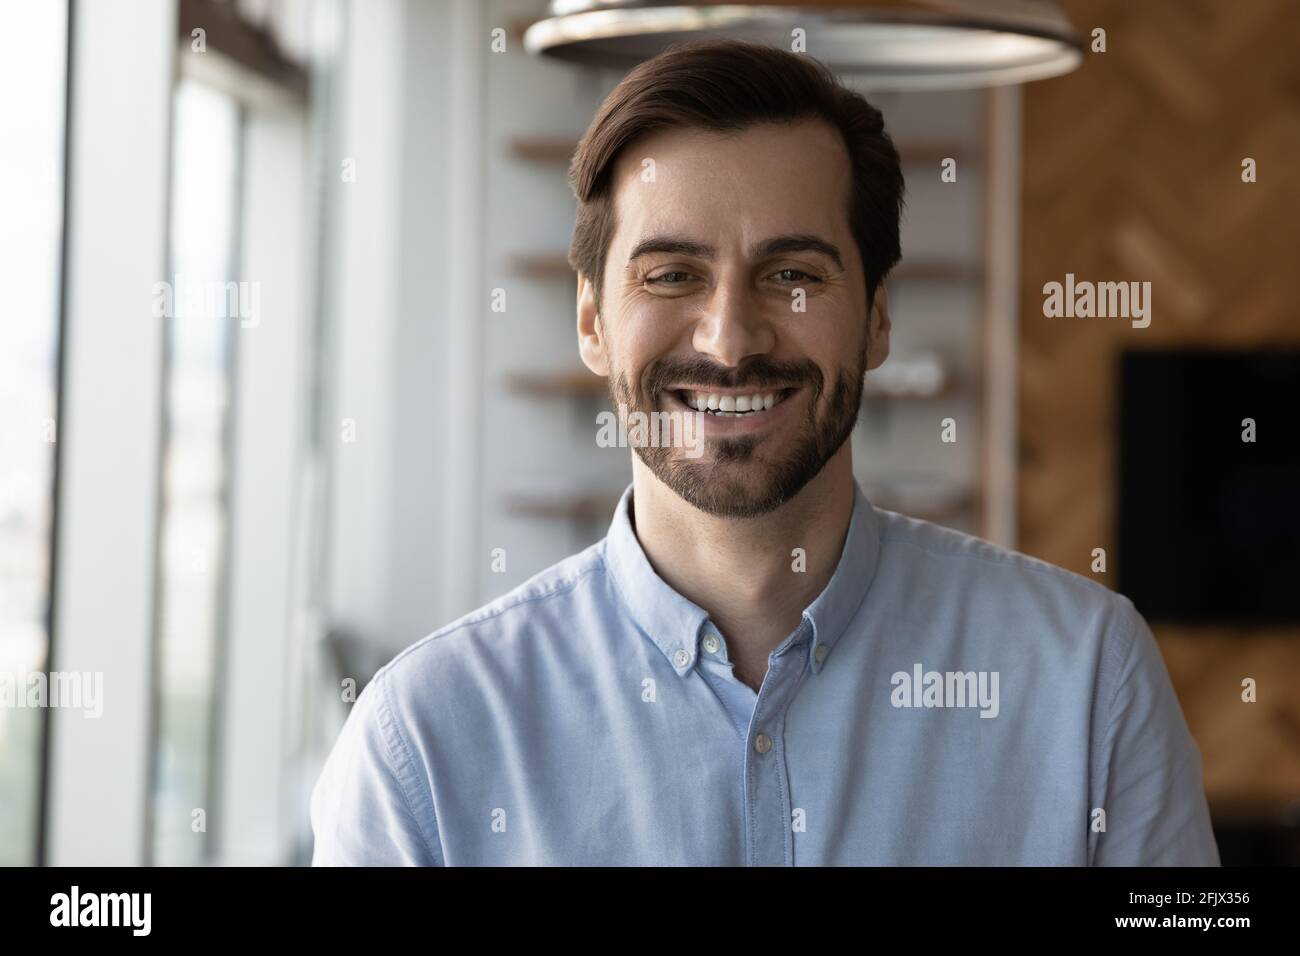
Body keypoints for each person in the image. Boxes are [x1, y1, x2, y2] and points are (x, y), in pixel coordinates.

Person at [310, 38, 1219, 866]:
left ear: (875, 318)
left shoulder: (1087, 682)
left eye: (793, 275)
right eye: (672, 274)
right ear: (592, 320)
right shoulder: (422, 743)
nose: (732, 339)